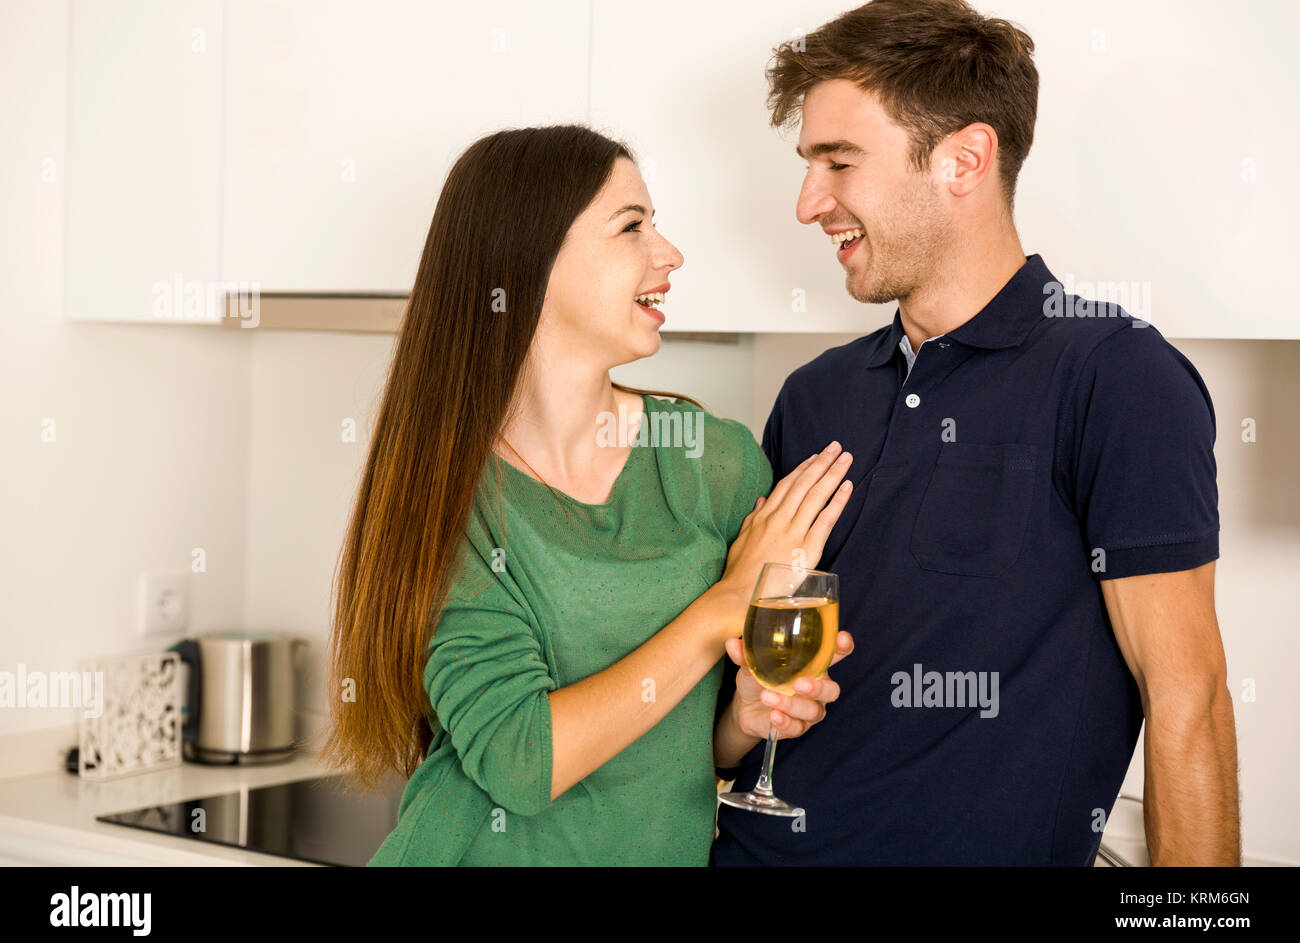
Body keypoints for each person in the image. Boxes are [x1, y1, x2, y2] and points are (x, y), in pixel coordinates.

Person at [712, 0, 1240, 865]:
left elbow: (1190, 699)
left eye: (839, 161)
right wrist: (738, 719)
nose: (810, 204)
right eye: (810, 165)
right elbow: (730, 712)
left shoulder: (1116, 375)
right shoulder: (816, 395)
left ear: (965, 158)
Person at [318, 124, 857, 865]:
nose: (668, 254)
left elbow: (696, 739)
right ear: (528, 259)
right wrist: (720, 608)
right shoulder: (448, 494)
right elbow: (522, 761)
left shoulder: (711, 462)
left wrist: (750, 715)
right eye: (632, 227)